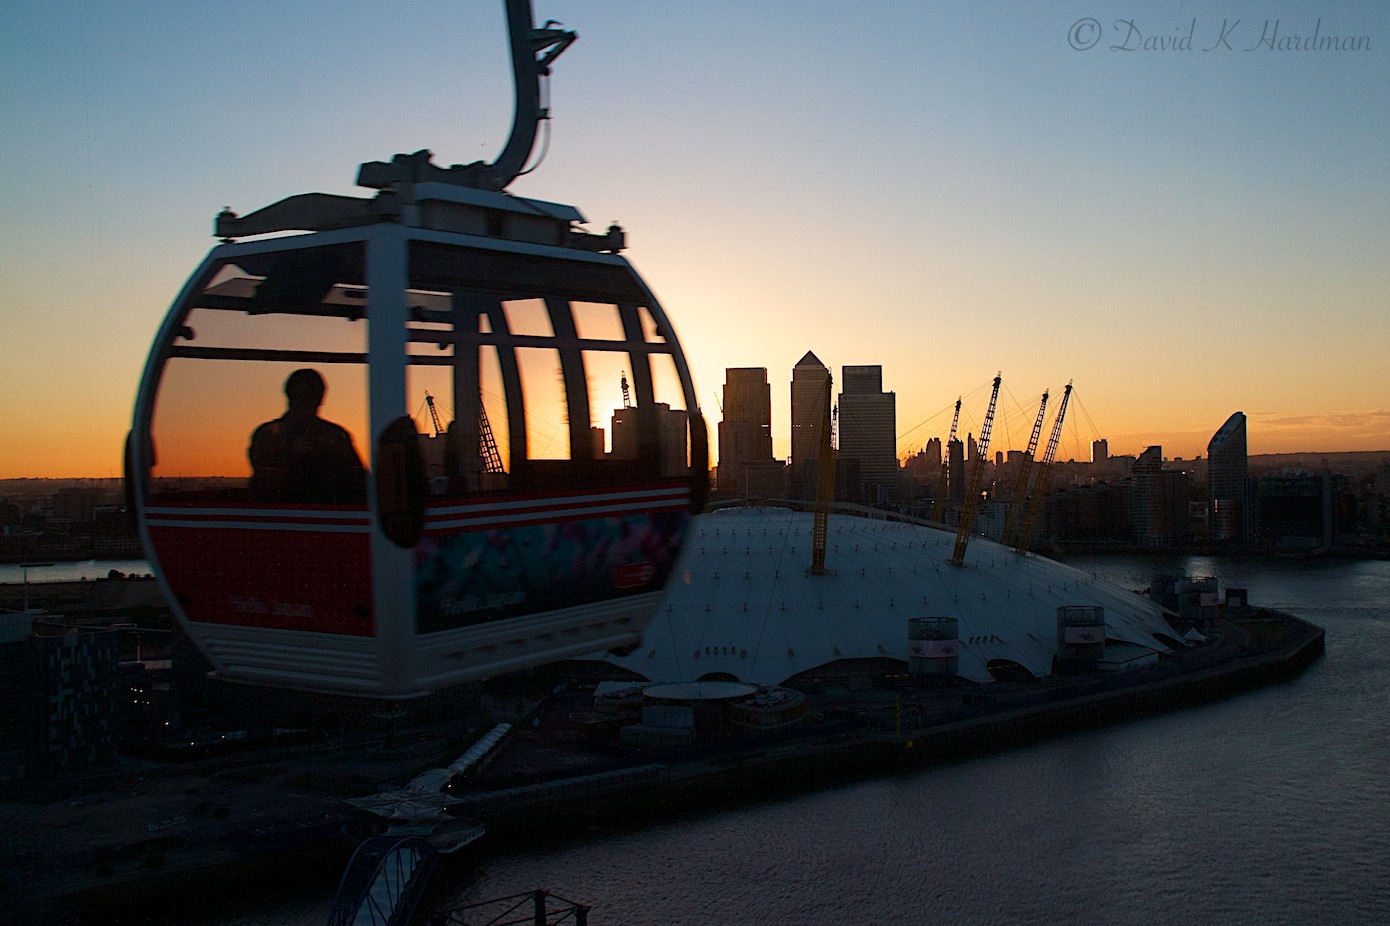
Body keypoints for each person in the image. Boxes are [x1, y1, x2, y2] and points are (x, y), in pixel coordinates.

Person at [248, 369, 366, 503]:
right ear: (289, 396)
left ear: (320, 398)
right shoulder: (268, 434)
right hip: (279, 513)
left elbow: (357, 480)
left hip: (326, 512)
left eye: (309, 396)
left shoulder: (336, 436)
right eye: (298, 396)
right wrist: (289, 453)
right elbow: (263, 477)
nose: (303, 402)